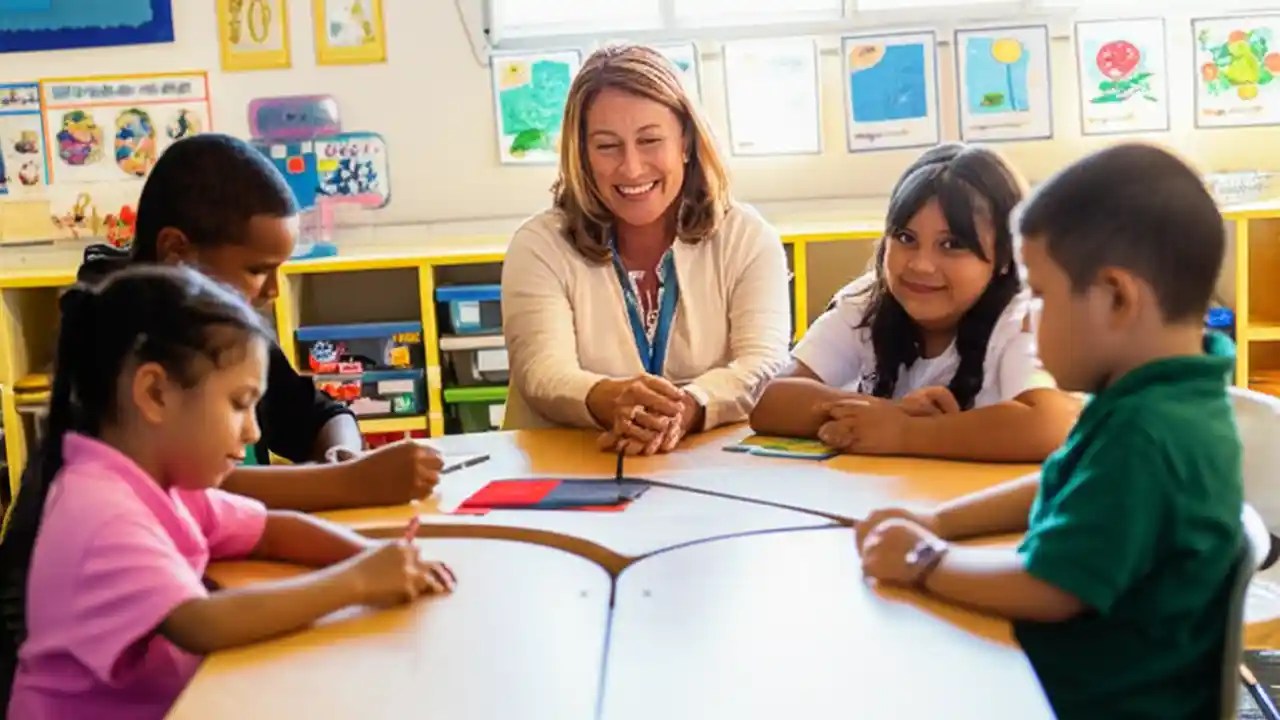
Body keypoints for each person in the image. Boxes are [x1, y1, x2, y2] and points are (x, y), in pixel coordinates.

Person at [856, 144, 1243, 717]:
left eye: (1039, 293)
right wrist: (940, 520)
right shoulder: (1171, 393)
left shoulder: (1149, 434)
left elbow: (1050, 588)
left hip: (1094, 702)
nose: (1030, 317)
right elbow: (1063, 482)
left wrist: (926, 561)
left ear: (1115, 298)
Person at [1, 266, 455, 719]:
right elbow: (202, 622)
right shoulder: (100, 510)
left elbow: (270, 531)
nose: (253, 430)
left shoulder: (159, 484)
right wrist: (355, 581)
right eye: (239, 404)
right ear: (156, 393)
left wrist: (372, 559)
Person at [66, 133, 439, 511]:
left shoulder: (229, 335)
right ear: (177, 251)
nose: (274, 290)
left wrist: (342, 454)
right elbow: (176, 490)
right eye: (258, 270)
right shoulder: (113, 343)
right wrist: (347, 483)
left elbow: (320, 414)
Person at [501, 44, 791, 456]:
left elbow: (763, 365)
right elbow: (542, 373)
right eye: (607, 146)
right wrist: (607, 398)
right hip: (572, 468)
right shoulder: (540, 245)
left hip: (709, 474)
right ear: (581, 154)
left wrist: (690, 407)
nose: (632, 168)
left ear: (686, 142)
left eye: (650, 140)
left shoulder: (747, 238)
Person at [750, 144, 1078, 463]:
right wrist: (891, 412)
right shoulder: (866, 302)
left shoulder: (1022, 317)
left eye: (951, 244)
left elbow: (1051, 425)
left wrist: (907, 432)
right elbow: (773, 401)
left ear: (1005, 256)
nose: (921, 265)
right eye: (906, 238)